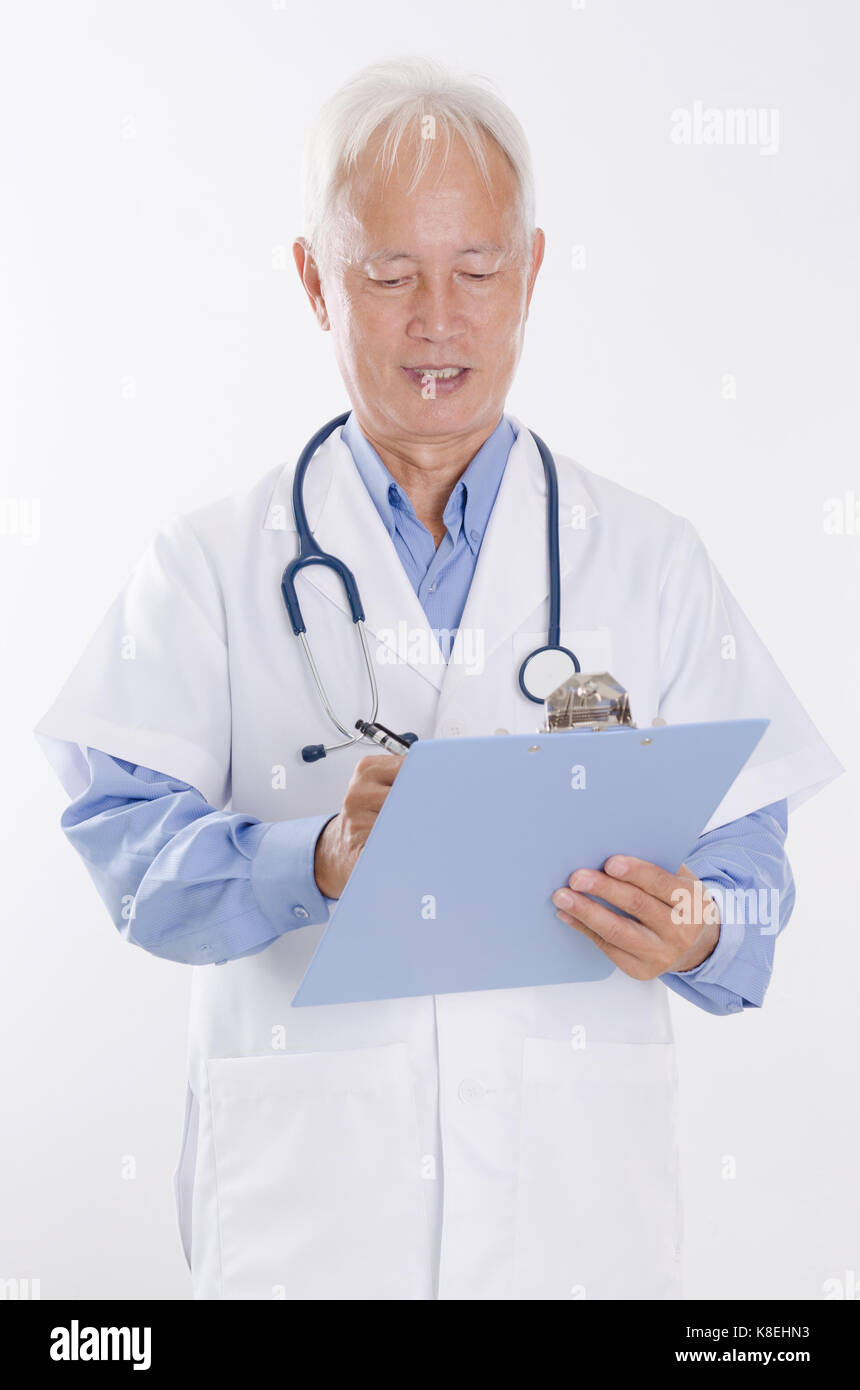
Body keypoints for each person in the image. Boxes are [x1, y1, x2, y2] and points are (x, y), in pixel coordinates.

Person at [35, 56, 841, 1300]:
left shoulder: (648, 558)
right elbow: (124, 849)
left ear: (528, 273)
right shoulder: (208, 564)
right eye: (389, 273)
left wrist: (691, 926)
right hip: (311, 1220)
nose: (437, 320)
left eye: (474, 273)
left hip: (577, 1229)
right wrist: (310, 864)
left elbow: (754, 889)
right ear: (313, 278)